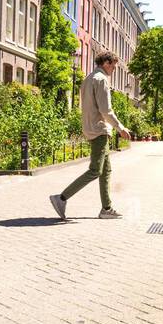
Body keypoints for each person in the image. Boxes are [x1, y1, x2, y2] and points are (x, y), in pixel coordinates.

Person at [50, 51, 131, 220]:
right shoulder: (101, 80)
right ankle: (61, 198)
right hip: (99, 129)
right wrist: (120, 128)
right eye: (114, 66)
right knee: (95, 170)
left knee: (106, 171)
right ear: (107, 63)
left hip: (90, 127)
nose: (114, 69)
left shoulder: (88, 78)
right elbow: (105, 110)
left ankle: (106, 208)